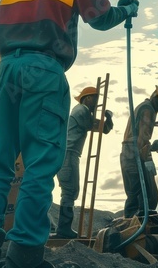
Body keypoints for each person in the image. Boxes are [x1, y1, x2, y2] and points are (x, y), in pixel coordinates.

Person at [0, 0, 139, 268]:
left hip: (6, 73)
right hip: (44, 71)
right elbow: (101, 18)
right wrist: (128, 10)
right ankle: (24, 255)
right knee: (40, 166)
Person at [51, 85, 114, 239]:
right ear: (87, 98)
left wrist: (108, 119)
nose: (97, 102)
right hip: (69, 154)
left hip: (69, 154)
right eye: (96, 99)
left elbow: (104, 129)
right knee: (70, 191)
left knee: (70, 191)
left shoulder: (83, 112)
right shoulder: (81, 110)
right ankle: (63, 230)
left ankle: (63, 229)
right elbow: (96, 126)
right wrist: (104, 118)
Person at [119, 85, 158, 218]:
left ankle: (135, 224)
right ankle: (134, 228)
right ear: (155, 97)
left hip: (130, 152)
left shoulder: (143, 107)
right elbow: (142, 139)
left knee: (137, 193)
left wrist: (153, 147)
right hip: (133, 153)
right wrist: (147, 157)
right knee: (139, 194)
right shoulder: (148, 109)